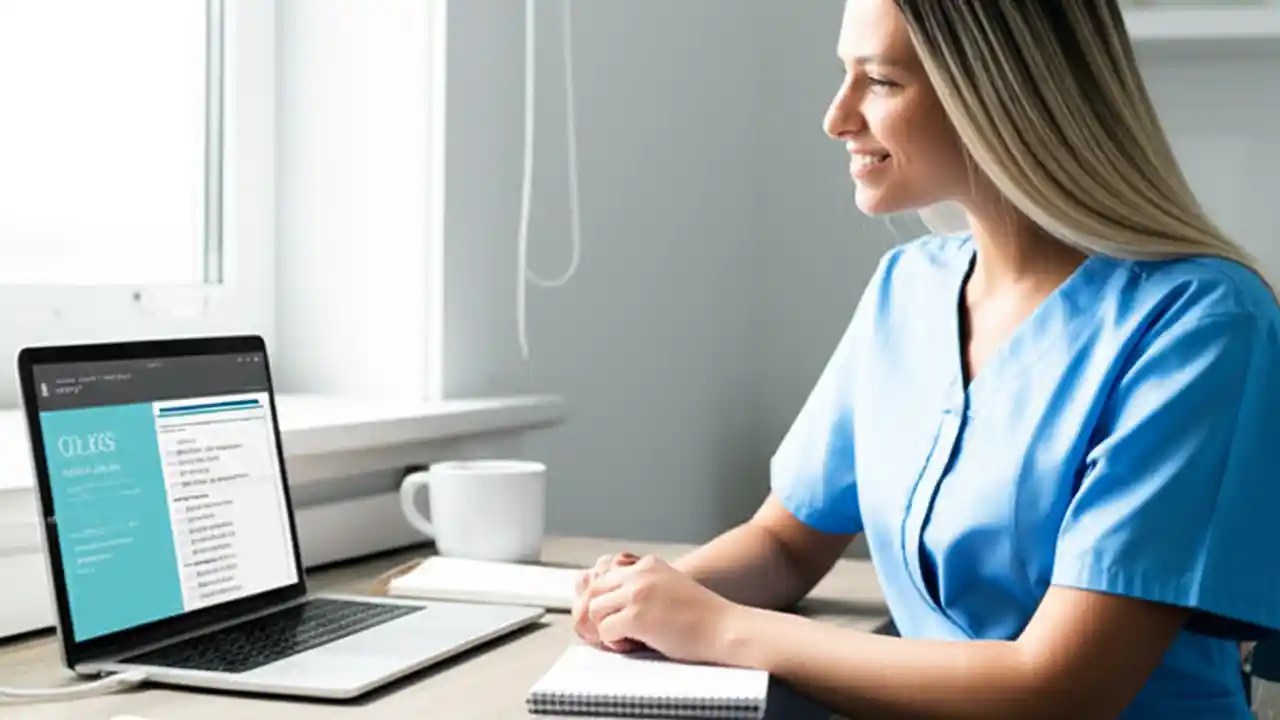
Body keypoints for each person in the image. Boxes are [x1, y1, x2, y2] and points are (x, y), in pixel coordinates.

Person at [571, 1, 1280, 718]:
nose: (837, 117)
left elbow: (1061, 689)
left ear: (999, 92)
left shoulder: (1204, 324)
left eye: (879, 81)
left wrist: (717, 627)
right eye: (844, 75)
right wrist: (645, 602)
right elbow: (786, 542)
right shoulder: (905, 290)